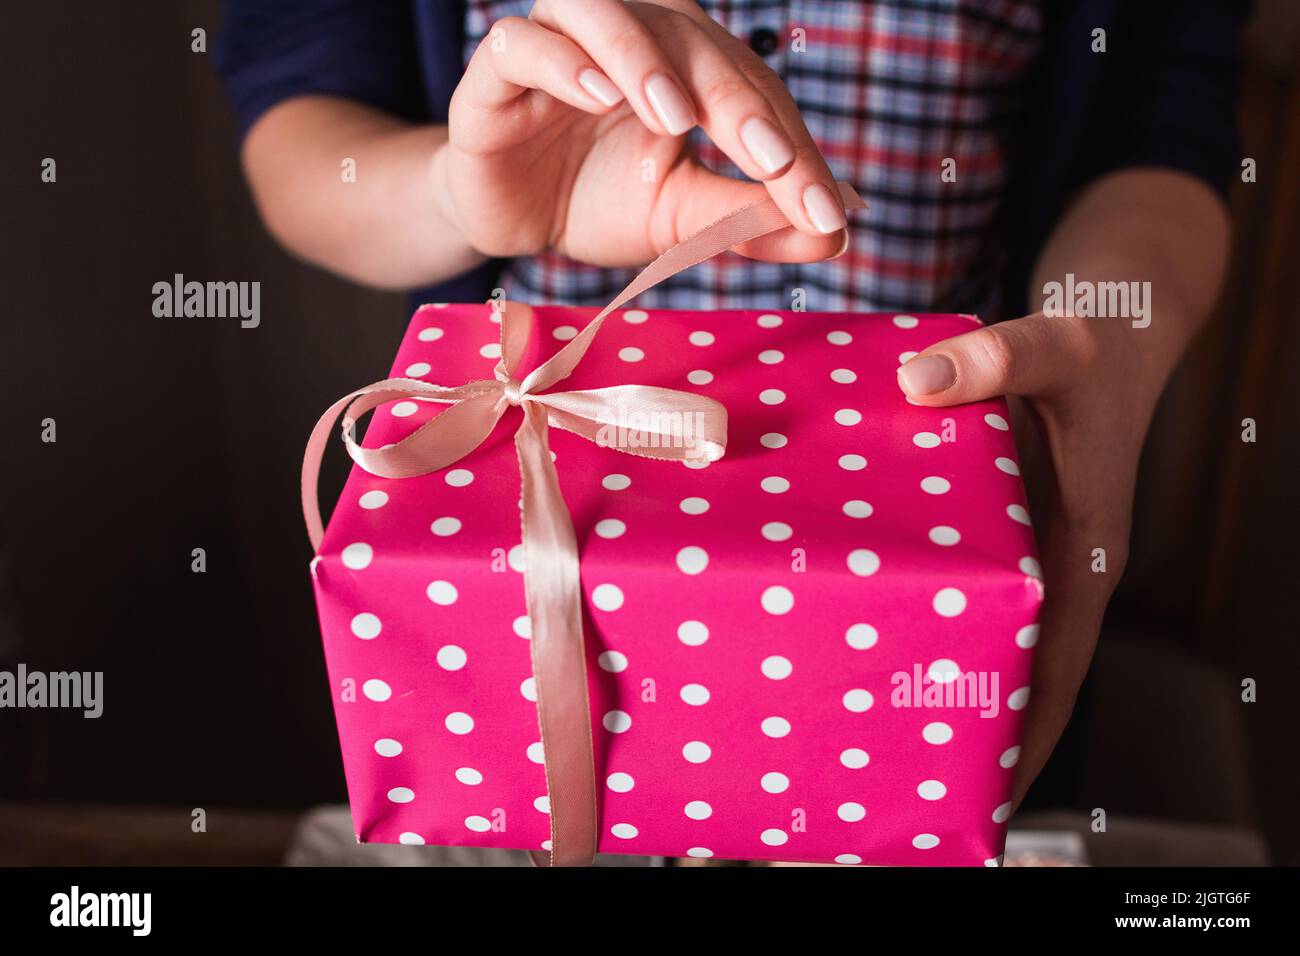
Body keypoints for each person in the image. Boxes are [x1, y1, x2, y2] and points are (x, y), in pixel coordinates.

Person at [217, 0, 1247, 846]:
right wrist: (459, 191)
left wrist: (1106, 337)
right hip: (517, 601)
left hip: (936, 589)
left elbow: (1159, 131)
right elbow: (301, 115)